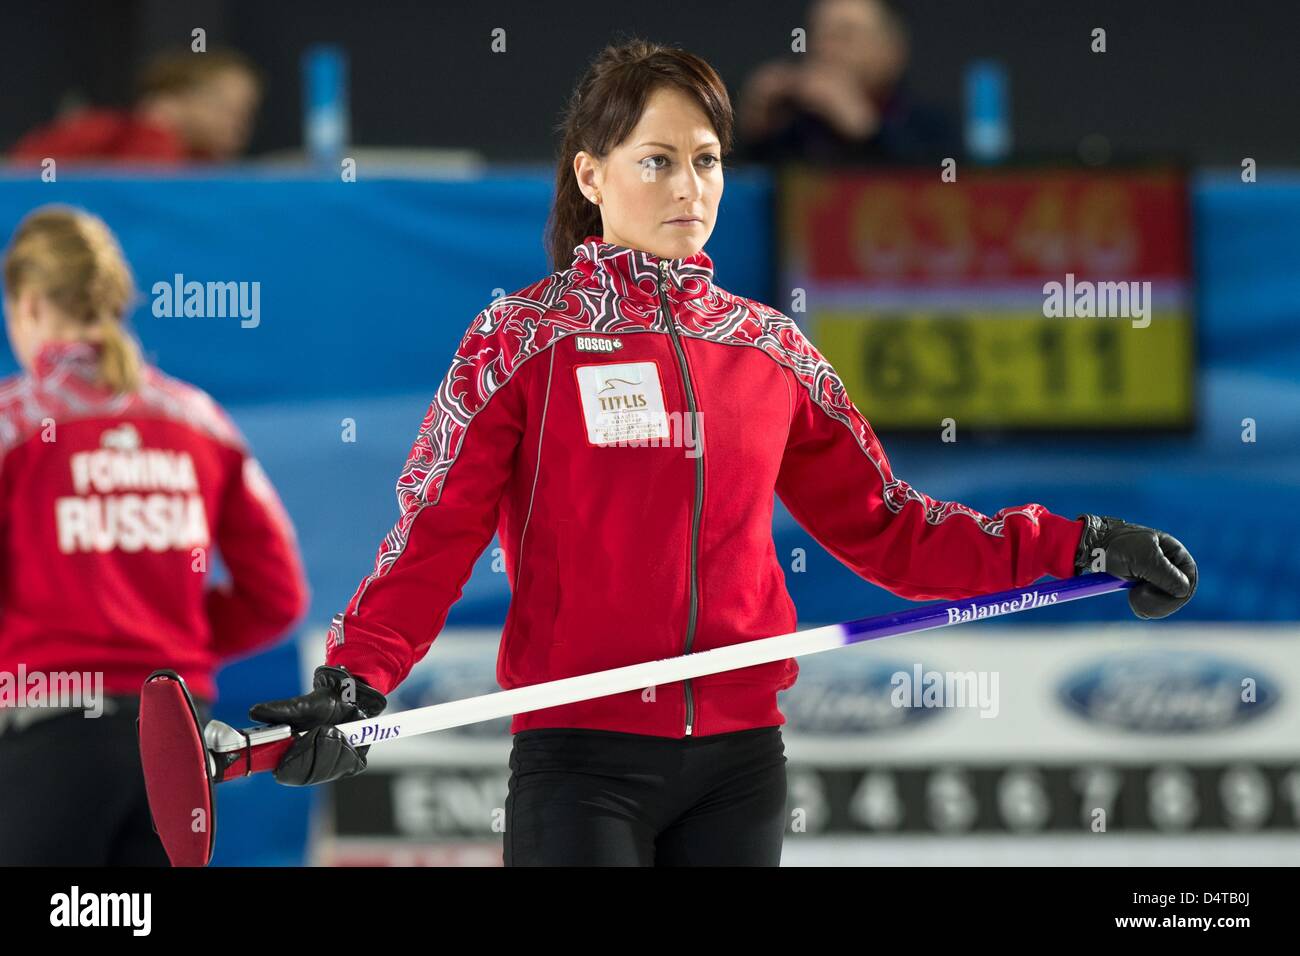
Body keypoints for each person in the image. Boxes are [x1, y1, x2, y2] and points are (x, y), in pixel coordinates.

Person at [249, 39, 1197, 867]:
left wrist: (1081, 545)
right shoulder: (520, 340)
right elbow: (435, 531)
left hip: (743, 766)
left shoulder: (771, 348)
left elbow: (892, 530)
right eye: (656, 161)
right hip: (583, 759)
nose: (688, 187)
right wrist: (355, 679)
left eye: (706, 162)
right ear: (592, 176)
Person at [0, 205, 308, 865]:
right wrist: (172, 641)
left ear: (26, 306)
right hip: (177, 752)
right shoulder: (199, 420)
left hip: (42, 741)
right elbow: (278, 595)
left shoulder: (13, 424)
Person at [737, 0, 956, 164]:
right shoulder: (796, 126)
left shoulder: (931, 128)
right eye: (818, 34)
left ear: (892, 50)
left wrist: (866, 130)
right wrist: (757, 135)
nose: (825, 49)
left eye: (845, 35)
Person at [9, 48, 263, 165]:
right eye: (222, 106)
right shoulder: (102, 131)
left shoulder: (202, 162)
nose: (237, 123)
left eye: (245, 111)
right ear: (174, 99)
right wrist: (154, 129)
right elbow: (141, 201)